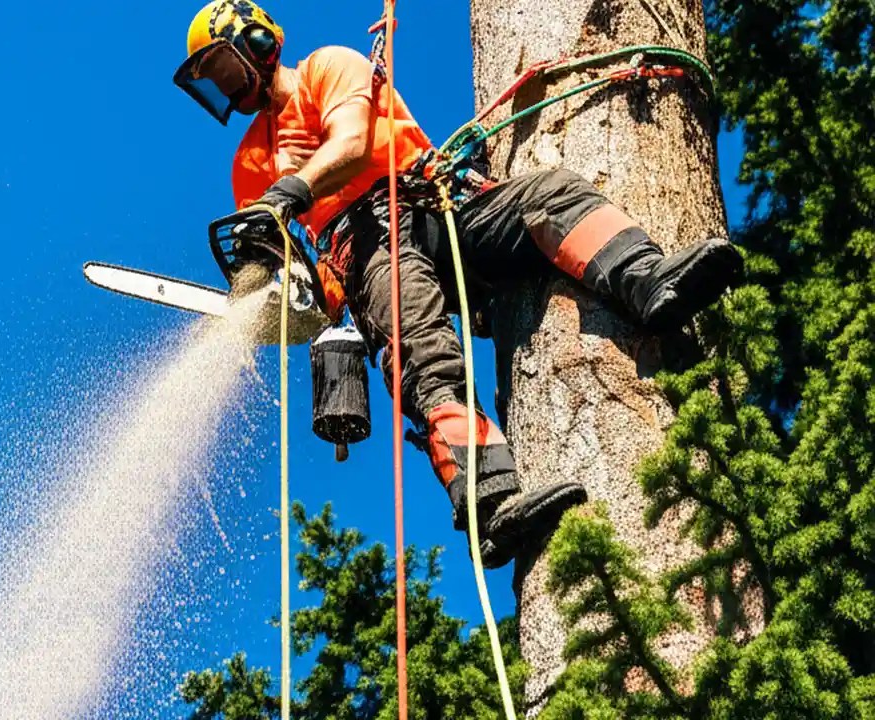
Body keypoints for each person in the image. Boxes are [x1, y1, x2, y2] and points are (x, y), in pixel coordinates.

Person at [173, 0, 743, 568]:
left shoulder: (328, 67)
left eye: (224, 68)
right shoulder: (249, 161)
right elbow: (274, 251)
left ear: (256, 40)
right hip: (365, 246)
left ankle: (650, 280)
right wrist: (264, 289)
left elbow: (349, 144)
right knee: (419, 348)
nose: (226, 87)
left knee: (548, 195)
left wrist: (294, 189)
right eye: (215, 82)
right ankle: (489, 502)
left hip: (431, 204)